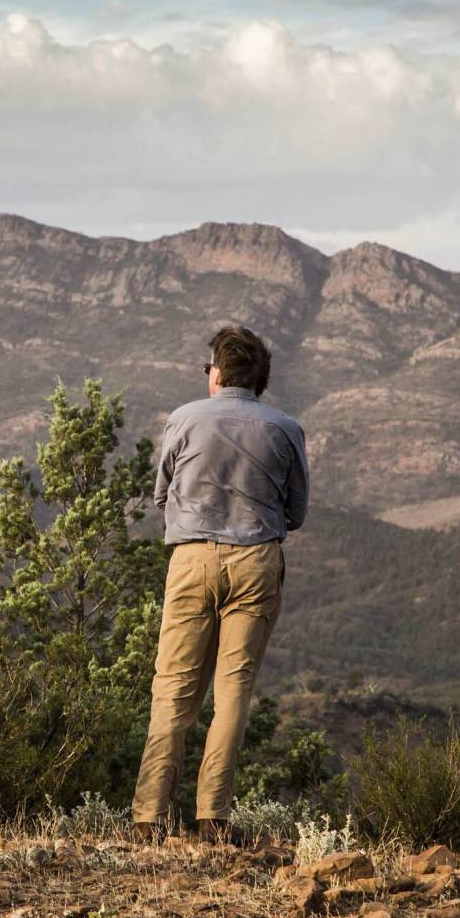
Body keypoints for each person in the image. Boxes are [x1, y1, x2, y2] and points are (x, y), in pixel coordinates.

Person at [131, 326, 309, 841]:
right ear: (261, 380)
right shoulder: (285, 428)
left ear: (215, 373)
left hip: (190, 560)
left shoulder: (182, 420)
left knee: (173, 689)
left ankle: (149, 816)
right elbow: (296, 512)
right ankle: (213, 816)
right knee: (233, 689)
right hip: (256, 561)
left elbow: (163, 495)